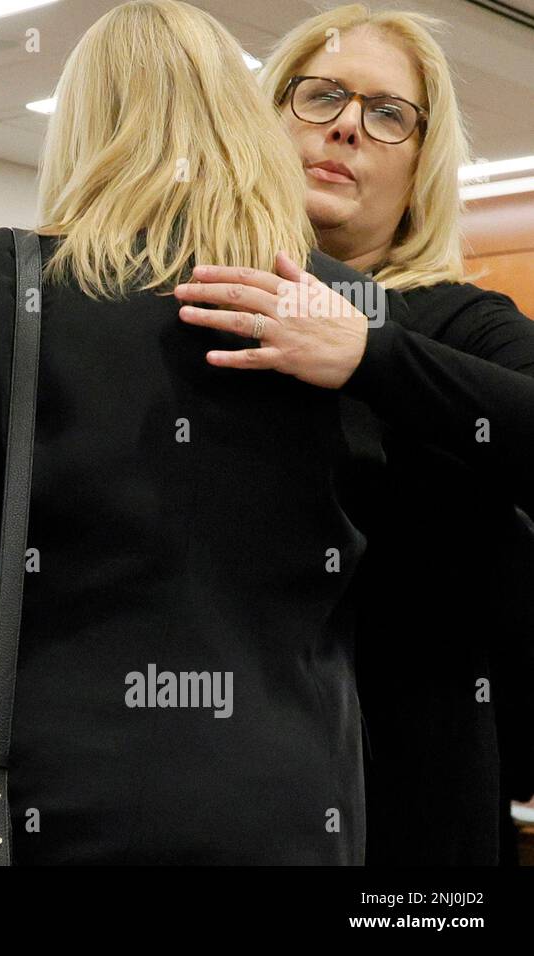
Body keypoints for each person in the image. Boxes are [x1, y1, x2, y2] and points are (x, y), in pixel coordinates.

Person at [0, 0, 414, 864]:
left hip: (53, 796)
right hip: (287, 800)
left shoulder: (10, 281)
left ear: (87, 124)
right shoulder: (340, 311)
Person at [179, 3, 534, 864]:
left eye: (386, 115)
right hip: (216, 779)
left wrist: (369, 356)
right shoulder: (193, 299)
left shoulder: (458, 321)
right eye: (320, 96)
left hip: (412, 799)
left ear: (420, 164)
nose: (345, 126)